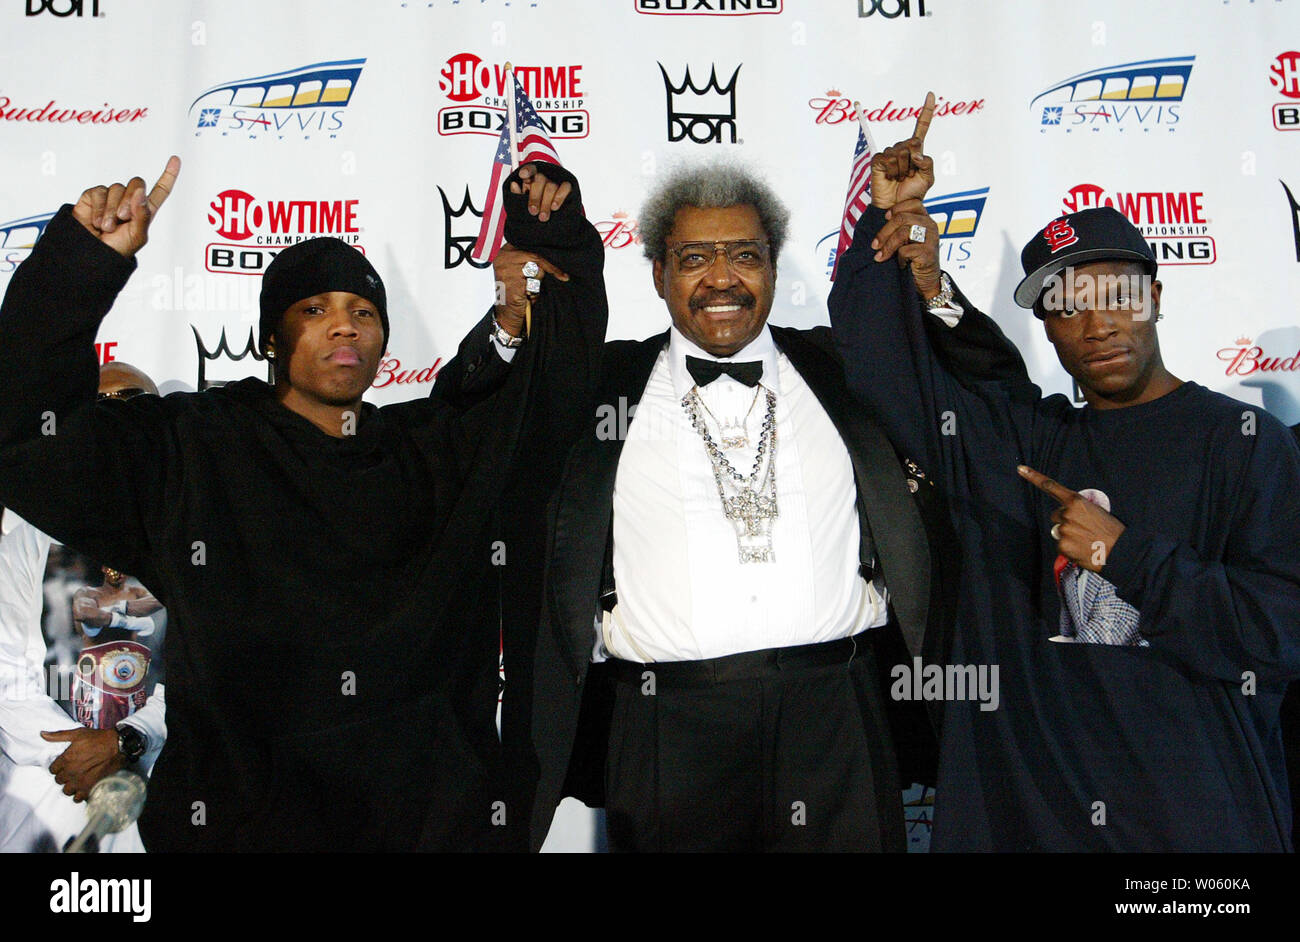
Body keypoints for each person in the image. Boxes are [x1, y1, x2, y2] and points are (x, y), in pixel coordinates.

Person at [0, 157, 606, 851]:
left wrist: (550, 244)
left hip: (426, 828)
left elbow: (553, 396)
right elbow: (28, 439)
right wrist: (78, 267)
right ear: (270, 338)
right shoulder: (191, 450)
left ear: (383, 341)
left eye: (362, 312)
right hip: (243, 829)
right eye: (314, 310)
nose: (343, 327)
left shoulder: (431, 455)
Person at [829, 113, 1300, 850]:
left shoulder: (1245, 445)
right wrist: (888, 238)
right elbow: (885, 370)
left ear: (1156, 296)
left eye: (1116, 295)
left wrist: (1128, 557)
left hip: (1196, 832)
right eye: (1068, 306)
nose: (1097, 324)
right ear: (1046, 328)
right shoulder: (1024, 445)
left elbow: (1279, 635)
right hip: (1032, 822)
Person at [509, 158, 958, 853]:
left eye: (745, 255)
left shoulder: (847, 373)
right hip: (665, 731)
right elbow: (544, 343)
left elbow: (970, 380)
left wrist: (908, 251)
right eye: (694, 258)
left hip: (837, 716)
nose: (722, 277)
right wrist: (557, 229)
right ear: (658, 274)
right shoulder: (603, 389)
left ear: (774, 269)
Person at [0, 364, 166, 852]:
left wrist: (130, 741)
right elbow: (3, 665)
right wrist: (78, 753)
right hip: (49, 789)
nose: (115, 421)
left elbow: (212, 668)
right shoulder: (29, 534)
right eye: (98, 409)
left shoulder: (195, 529)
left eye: (134, 403)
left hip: (164, 784)